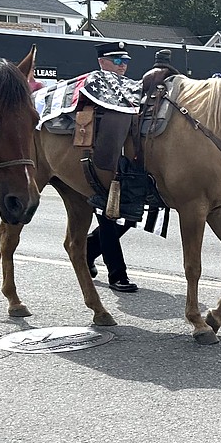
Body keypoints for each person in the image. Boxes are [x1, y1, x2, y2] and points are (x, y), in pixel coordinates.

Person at [84, 42, 141, 293]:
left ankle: (87, 250)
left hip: (125, 167)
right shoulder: (93, 84)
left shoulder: (129, 89)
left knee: (128, 218)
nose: (123, 66)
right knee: (108, 219)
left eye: (125, 61)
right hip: (95, 165)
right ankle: (117, 274)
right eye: (117, 61)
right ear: (102, 61)